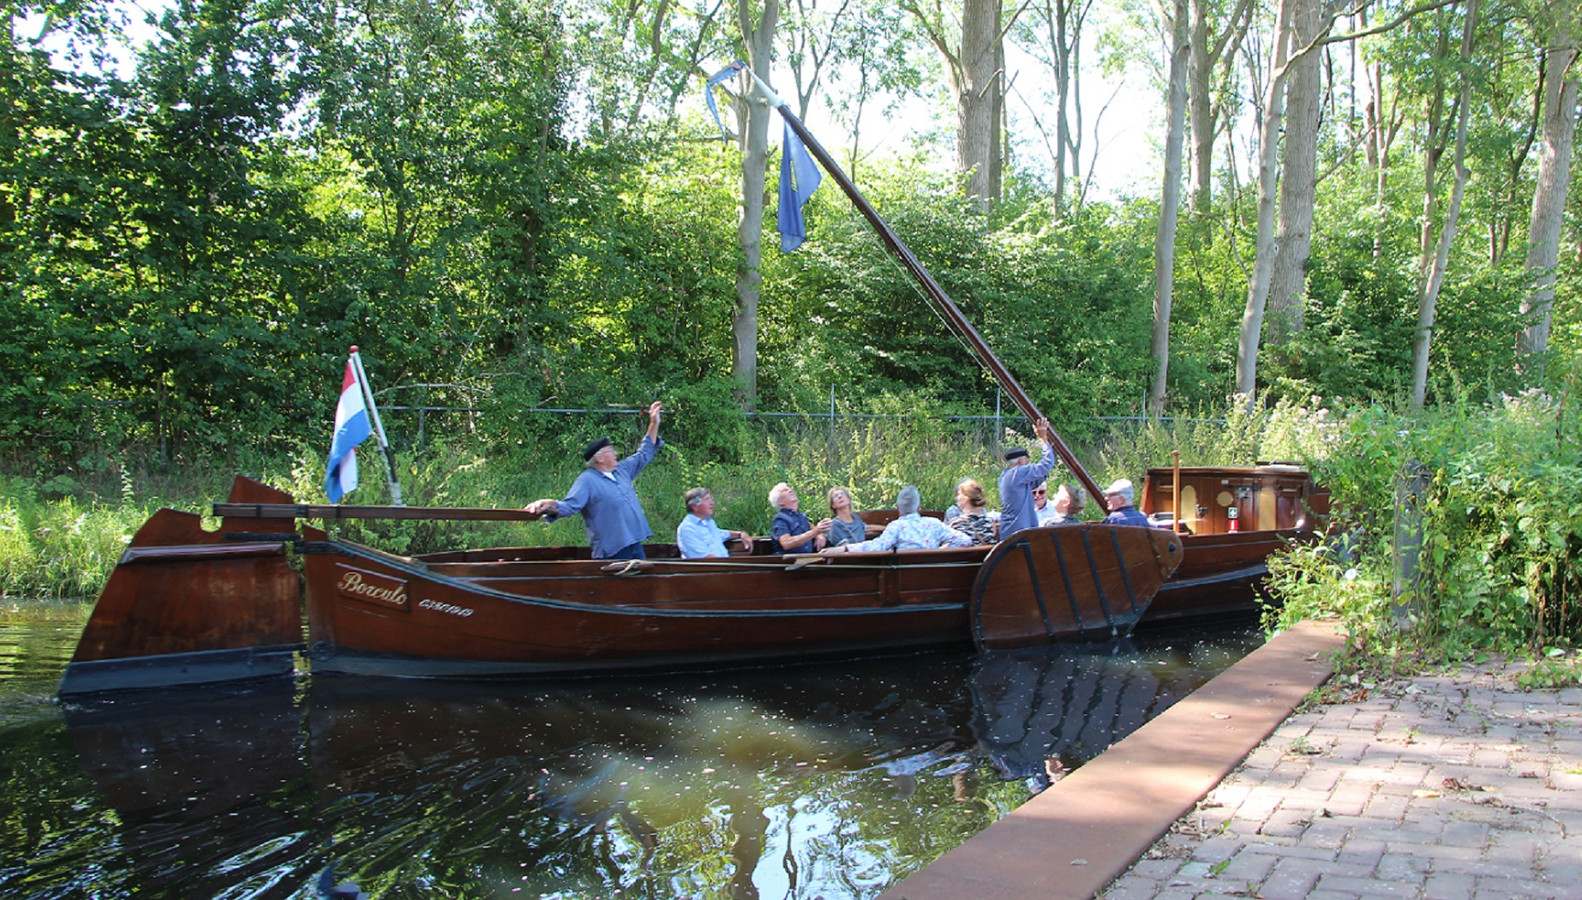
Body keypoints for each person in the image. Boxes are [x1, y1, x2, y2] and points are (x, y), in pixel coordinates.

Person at [524, 401, 663, 560]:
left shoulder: (621, 471)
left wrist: (654, 422)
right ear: (600, 458)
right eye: (611, 451)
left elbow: (644, 453)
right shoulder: (587, 481)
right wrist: (550, 504)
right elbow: (570, 505)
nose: (616, 453)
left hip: (634, 543)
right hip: (612, 551)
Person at [823, 485, 972, 553]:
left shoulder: (896, 527)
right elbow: (965, 540)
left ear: (898, 508)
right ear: (919, 507)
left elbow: (877, 547)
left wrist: (845, 549)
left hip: (904, 582)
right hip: (932, 579)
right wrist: (940, 552)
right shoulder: (934, 524)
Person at [997, 417, 1057, 539]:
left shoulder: (1006, 476)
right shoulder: (1017, 473)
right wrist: (1043, 439)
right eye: (1027, 460)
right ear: (1021, 460)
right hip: (1019, 535)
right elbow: (1047, 464)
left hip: (1012, 534)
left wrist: (1050, 446)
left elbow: (1040, 476)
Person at [676, 487, 750, 559]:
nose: (712, 503)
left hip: (722, 567)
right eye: (707, 500)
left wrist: (740, 534)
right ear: (695, 506)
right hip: (709, 570)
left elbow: (720, 534)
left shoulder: (708, 522)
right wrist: (730, 567)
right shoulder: (688, 529)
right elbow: (705, 559)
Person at [769, 482, 830, 554]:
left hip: (806, 560)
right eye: (785, 490)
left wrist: (820, 535)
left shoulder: (801, 516)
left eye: (790, 489)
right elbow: (786, 543)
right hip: (788, 562)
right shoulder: (780, 519)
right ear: (780, 502)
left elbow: (812, 528)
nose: (790, 491)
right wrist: (816, 531)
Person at [947, 478, 999, 545]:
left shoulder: (956, 524)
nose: (957, 497)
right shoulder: (989, 523)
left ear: (965, 499)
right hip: (986, 555)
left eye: (959, 494)